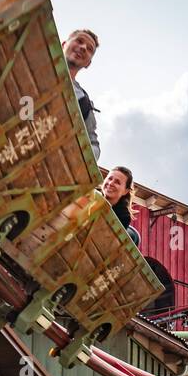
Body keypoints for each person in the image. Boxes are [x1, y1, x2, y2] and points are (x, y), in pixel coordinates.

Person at [62, 28, 101, 161]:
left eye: (89, 49)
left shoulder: (83, 101)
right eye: (79, 41)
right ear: (63, 45)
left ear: (88, 64)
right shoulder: (31, 65)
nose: (83, 47)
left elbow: (93, 144)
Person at [101, 165, 141, 247]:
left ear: (125, 191)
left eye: (117, 182)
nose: (111, 183)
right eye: (109, 178)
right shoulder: (90, 193)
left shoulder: (123, 216)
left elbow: (106, 242)